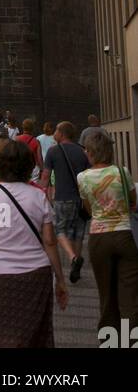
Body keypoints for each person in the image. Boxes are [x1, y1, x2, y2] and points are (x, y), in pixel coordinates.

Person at [0, 138, 68, 348]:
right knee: (37, 335)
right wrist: (60, 279)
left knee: (0, 334)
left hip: (0, 275)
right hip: (37, 274)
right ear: (28, 167)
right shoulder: (39, 196)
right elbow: (49, 241)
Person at [77, 127, 138, 335]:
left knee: (106, 294)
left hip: (99, 238)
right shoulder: (122, 172)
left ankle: (110, 340)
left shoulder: (83, 177)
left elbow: (88, 208)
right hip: (124, 235)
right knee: (130, 295)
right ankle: (131, 340)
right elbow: (132, 202)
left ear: (92, 152)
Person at [39, 121, 90, 283]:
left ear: (61, 133)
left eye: (56, 130)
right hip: (81, 200)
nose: (54, 132)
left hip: (62, 198)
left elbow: (45, 177)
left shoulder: (54, 152)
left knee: (59, 230)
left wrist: (41, 197)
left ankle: (73, 257)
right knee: (78, 233)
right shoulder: (83, 151)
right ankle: (77, 265)